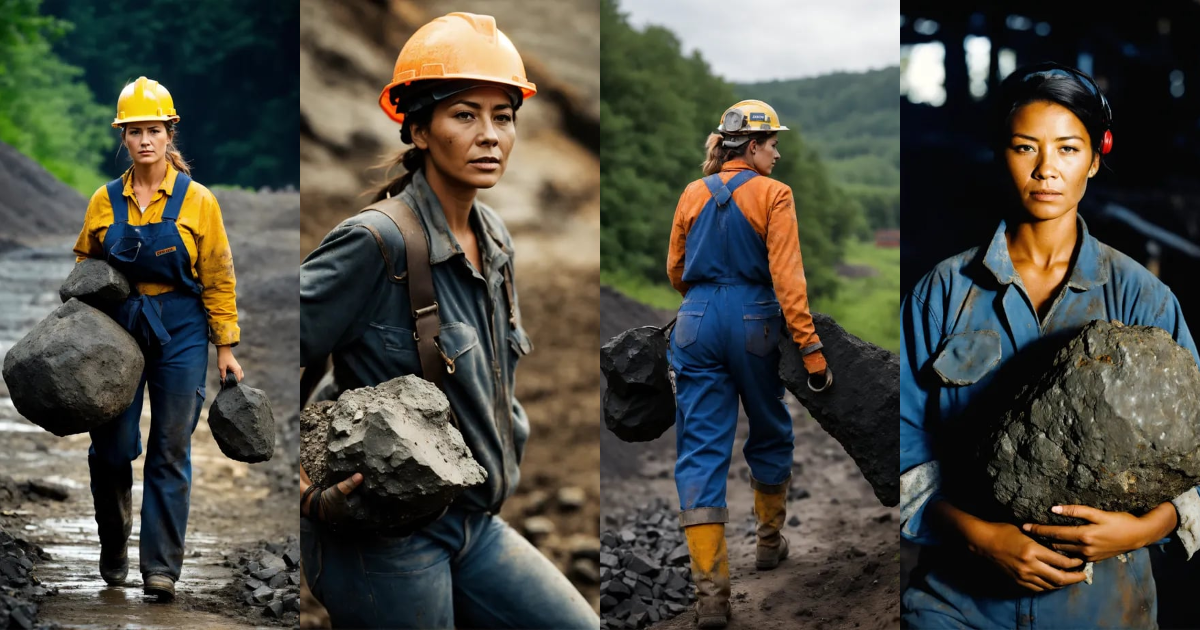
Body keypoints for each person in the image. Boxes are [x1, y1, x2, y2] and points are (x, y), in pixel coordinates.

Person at [297, 12, 599, 629]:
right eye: (465, 115)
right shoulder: (376, 243)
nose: (490, 135)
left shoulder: (494, 237)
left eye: (503, 116)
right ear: (420, 128)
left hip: (472, 520)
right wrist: (304, 489)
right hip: (384, 538)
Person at [900, 61, 1200, 628]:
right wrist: (979, 537)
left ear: (1094, 156)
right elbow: (901, 448)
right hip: (957, 607)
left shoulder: (1143, 299)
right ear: (1000, 153)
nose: (1045, 170)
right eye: (1024, 148)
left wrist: (1143, 529)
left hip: (1105, 610)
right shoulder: (941, 293)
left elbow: (1198, 461)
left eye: (1067, 149)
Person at [74, 76, 242, 601]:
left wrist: (227, 348)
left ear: (171, 133)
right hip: (119, 327)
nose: (145, 140)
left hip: (182, 328)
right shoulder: (103, 202)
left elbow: (218, 275)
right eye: (135, 131)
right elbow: (84, 268)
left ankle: (161, 569)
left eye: (155, 129)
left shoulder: (200, 203)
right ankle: (113, 542)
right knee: (111, 447)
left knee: (170, 448)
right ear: (122, 137)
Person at [665, 99, 831, 629]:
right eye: (773, 144)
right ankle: (767, 542)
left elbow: (675, 269)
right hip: (754, 321)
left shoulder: (693, 193)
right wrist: (811, 350)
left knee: (699, 451)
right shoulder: (774, 195)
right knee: (769, 427)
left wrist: (704, 299)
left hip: (695, 319)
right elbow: (788, 280)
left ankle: (711, 595)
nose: (777, 153)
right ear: (753, 147)